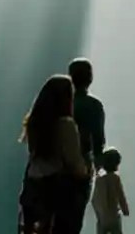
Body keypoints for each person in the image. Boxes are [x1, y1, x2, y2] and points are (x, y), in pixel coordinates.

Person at [19, 75, 90, 234]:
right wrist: (86, 172)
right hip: (57, 191)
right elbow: (74, 162)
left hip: (32, 186)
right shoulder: (66, 125)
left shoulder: (34, 122)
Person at [91, 147, 130, 234]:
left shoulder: (99, 179)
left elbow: (94, 199)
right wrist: (125, 210)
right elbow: (121, 196)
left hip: (102, 217)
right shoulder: (115, 178)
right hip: (114, 216)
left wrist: (98, 212)